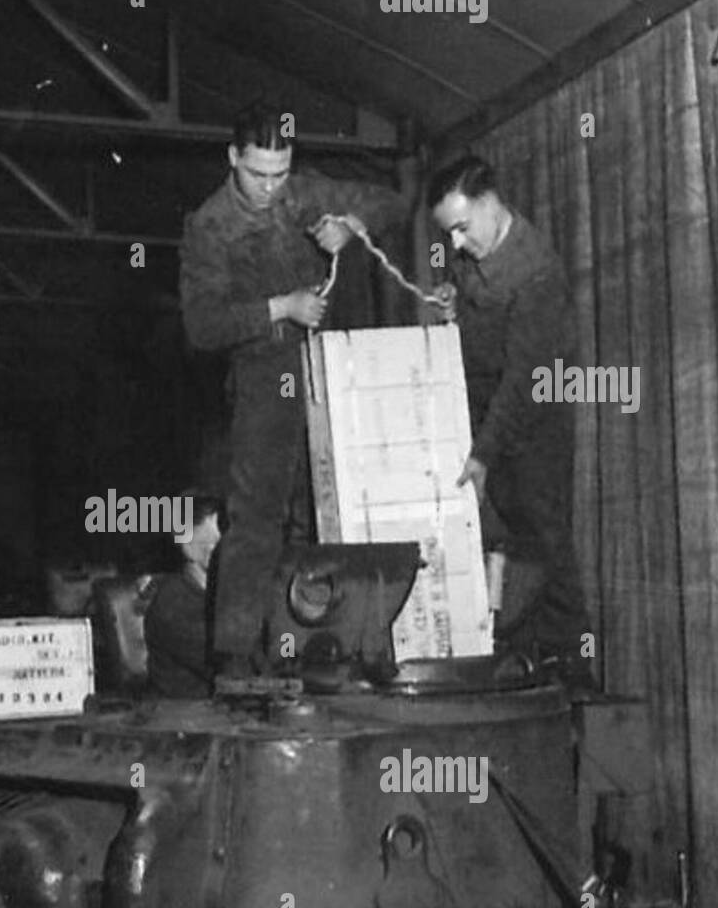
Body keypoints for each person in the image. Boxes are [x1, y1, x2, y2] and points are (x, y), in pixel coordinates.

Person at [179, 101, 409, 680]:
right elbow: (202, 326)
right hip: (265, 374)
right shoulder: (209, 227)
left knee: (334, 507)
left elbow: (395, 203)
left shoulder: (305, 193)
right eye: (258, 174)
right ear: (233, 158)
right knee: (257, 516)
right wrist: (282, 307)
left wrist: (350, 226)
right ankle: (234, 659)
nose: (270, 187)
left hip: (332, 367)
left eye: (280, 173)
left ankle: (330, 648)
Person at [427, 155, 592, 677]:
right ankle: (521, 665)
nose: (456, 243)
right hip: (492, 417)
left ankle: (574, 676)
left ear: (490, 203)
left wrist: (482, 455)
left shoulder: (536, 272)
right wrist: (454, 303)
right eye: (448, 233)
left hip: (532, 423)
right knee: (509, 547)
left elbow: (524, 381)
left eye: (461, 227)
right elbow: (475, 305)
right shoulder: (475, 251)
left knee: (545, 545)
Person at [144, 496, 222, 698]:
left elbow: (285, 647)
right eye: (217, 542)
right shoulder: (173, 604)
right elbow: (229, 665)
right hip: (185, 711)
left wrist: (287, 648)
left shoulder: (224, 596)